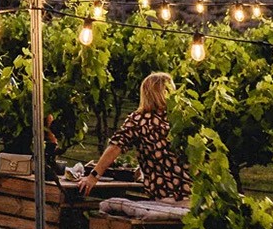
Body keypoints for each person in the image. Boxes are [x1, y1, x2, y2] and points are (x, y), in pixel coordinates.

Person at [75, 72, 191, 203]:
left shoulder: (140, 120)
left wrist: (93, 177)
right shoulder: (181, 119)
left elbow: (116, 146)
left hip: (165, 196)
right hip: (190, 194)